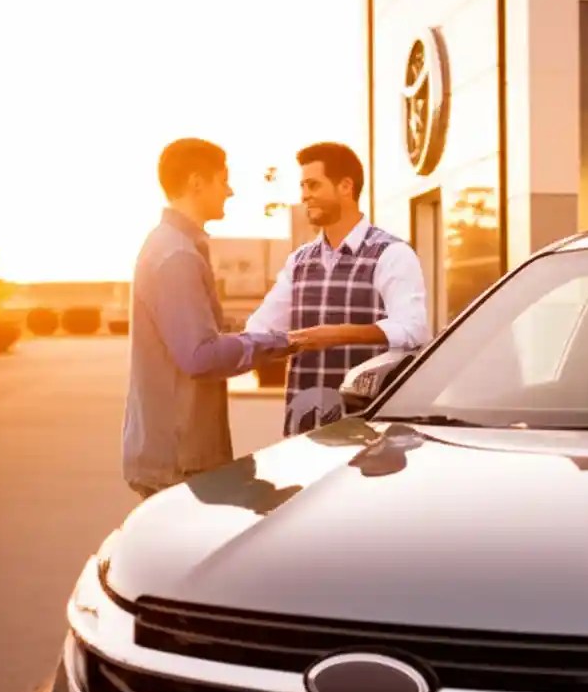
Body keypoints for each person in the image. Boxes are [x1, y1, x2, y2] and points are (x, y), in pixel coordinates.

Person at [122, 138, 292, 499]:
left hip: (174, 455)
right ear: (197, 183)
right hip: (178, 462)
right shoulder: (177, 256)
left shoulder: (172, 246)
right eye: (223, 179)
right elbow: (199, 356)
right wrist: (284, 343)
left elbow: (192, 336)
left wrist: (244, 333)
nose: (230, 191)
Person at [246, 142, 430, 436]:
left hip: (369, 430)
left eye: (313, 185)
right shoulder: (299, 261)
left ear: (345, 186)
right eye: (303, 186)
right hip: (305, 432)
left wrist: (334, 334)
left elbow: (413, 331)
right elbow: (259, 329)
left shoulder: (391, 253)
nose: (304, 195)